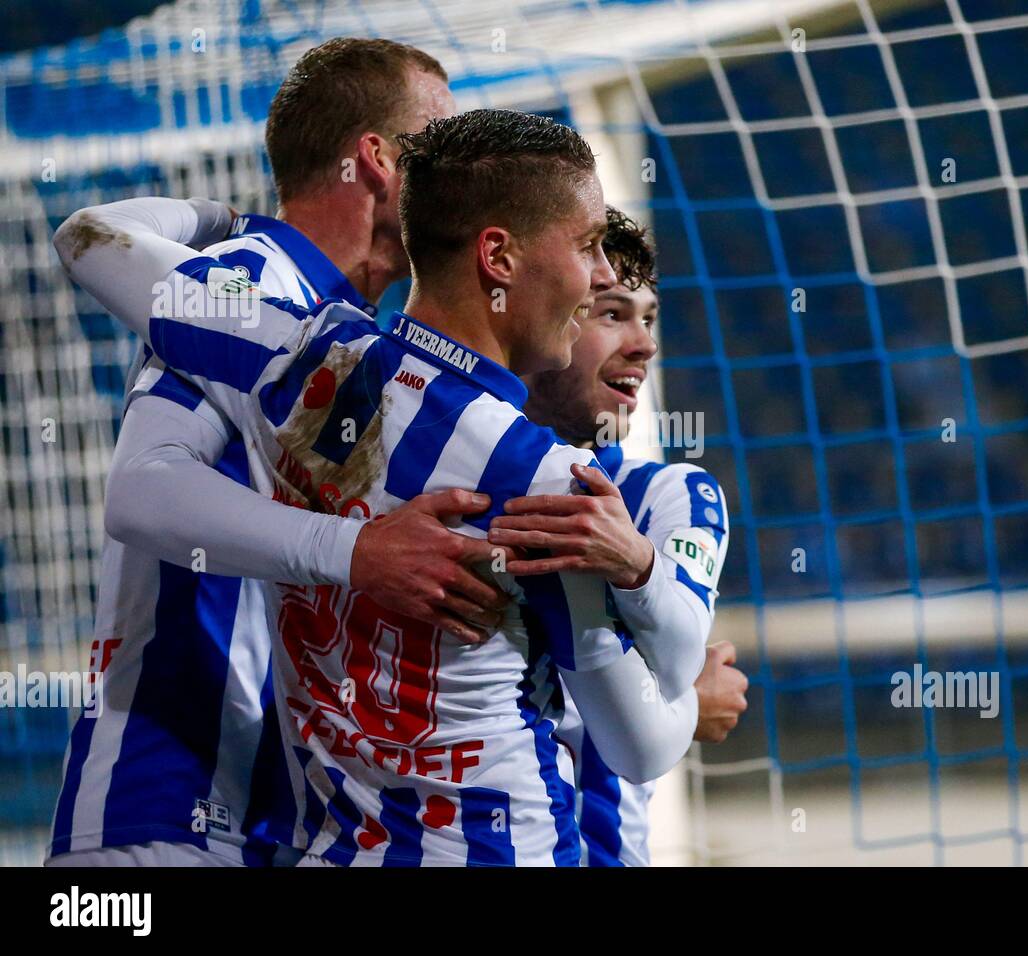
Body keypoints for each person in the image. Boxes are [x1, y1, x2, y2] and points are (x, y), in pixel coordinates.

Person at [54, 109, 701, 866]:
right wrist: (649, 589)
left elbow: (89, 241)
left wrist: (229, 224)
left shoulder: (301, 356)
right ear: (499, 256)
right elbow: (638, 742)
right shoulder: (545, 484)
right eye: (589, 247)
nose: (597, 276)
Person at [47, 39, 508, 868]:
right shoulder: (246, 278)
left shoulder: (364, 338)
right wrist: (360, 551)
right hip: (165, 810)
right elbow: (142, 492)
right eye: (444, 143)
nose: (463, 178)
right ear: (377, 158)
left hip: (287, 819)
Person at [494, 207, 748, 864]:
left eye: (650, 318)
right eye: (611, 314)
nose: (645, 344)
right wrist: (690, 704)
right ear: (542, 315)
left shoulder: (669, 495)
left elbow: (685, 646)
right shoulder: (444, 469)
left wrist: (636, 563)